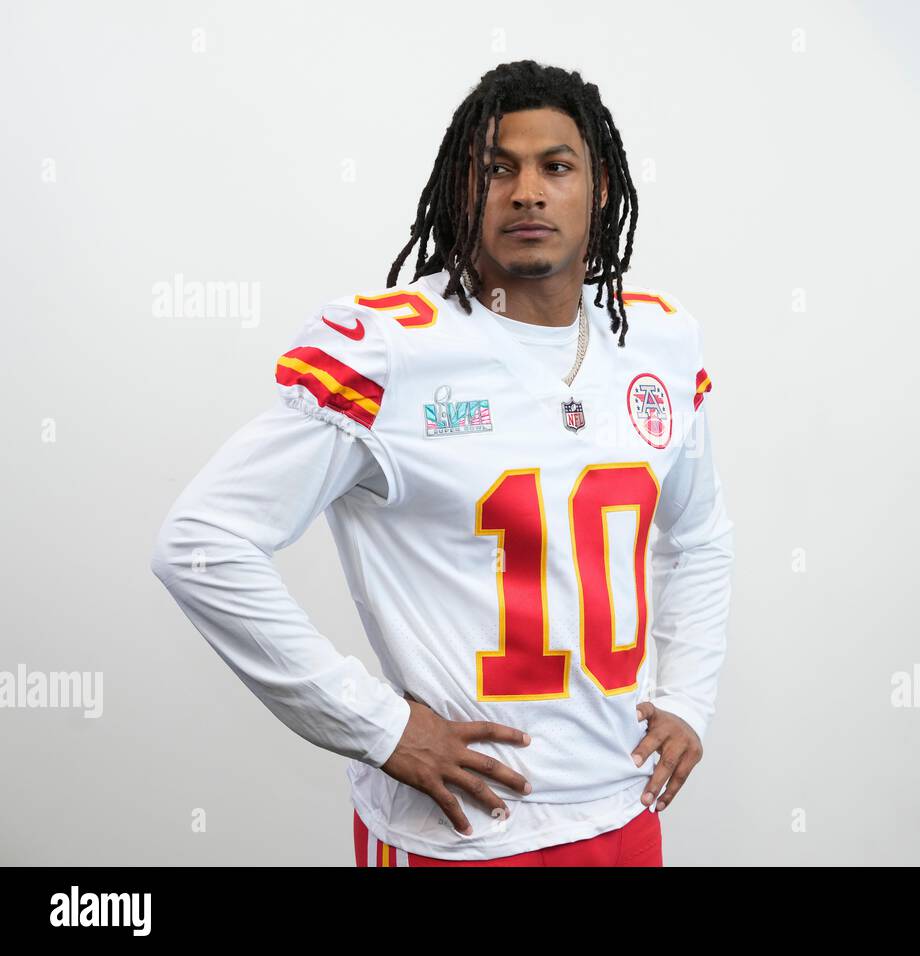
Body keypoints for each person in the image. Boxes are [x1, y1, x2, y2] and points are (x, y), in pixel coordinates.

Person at [150, 59, 735, 866]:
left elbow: (699, 537)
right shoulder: (392, 351)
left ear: (600, 190)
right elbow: (201, 543)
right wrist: (380, 727)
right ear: (463, 192)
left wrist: (688, 699)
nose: (527, 191)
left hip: (618, 812)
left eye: (555, 166)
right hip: (457, 833)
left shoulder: (657, 341)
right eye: (497, 169)